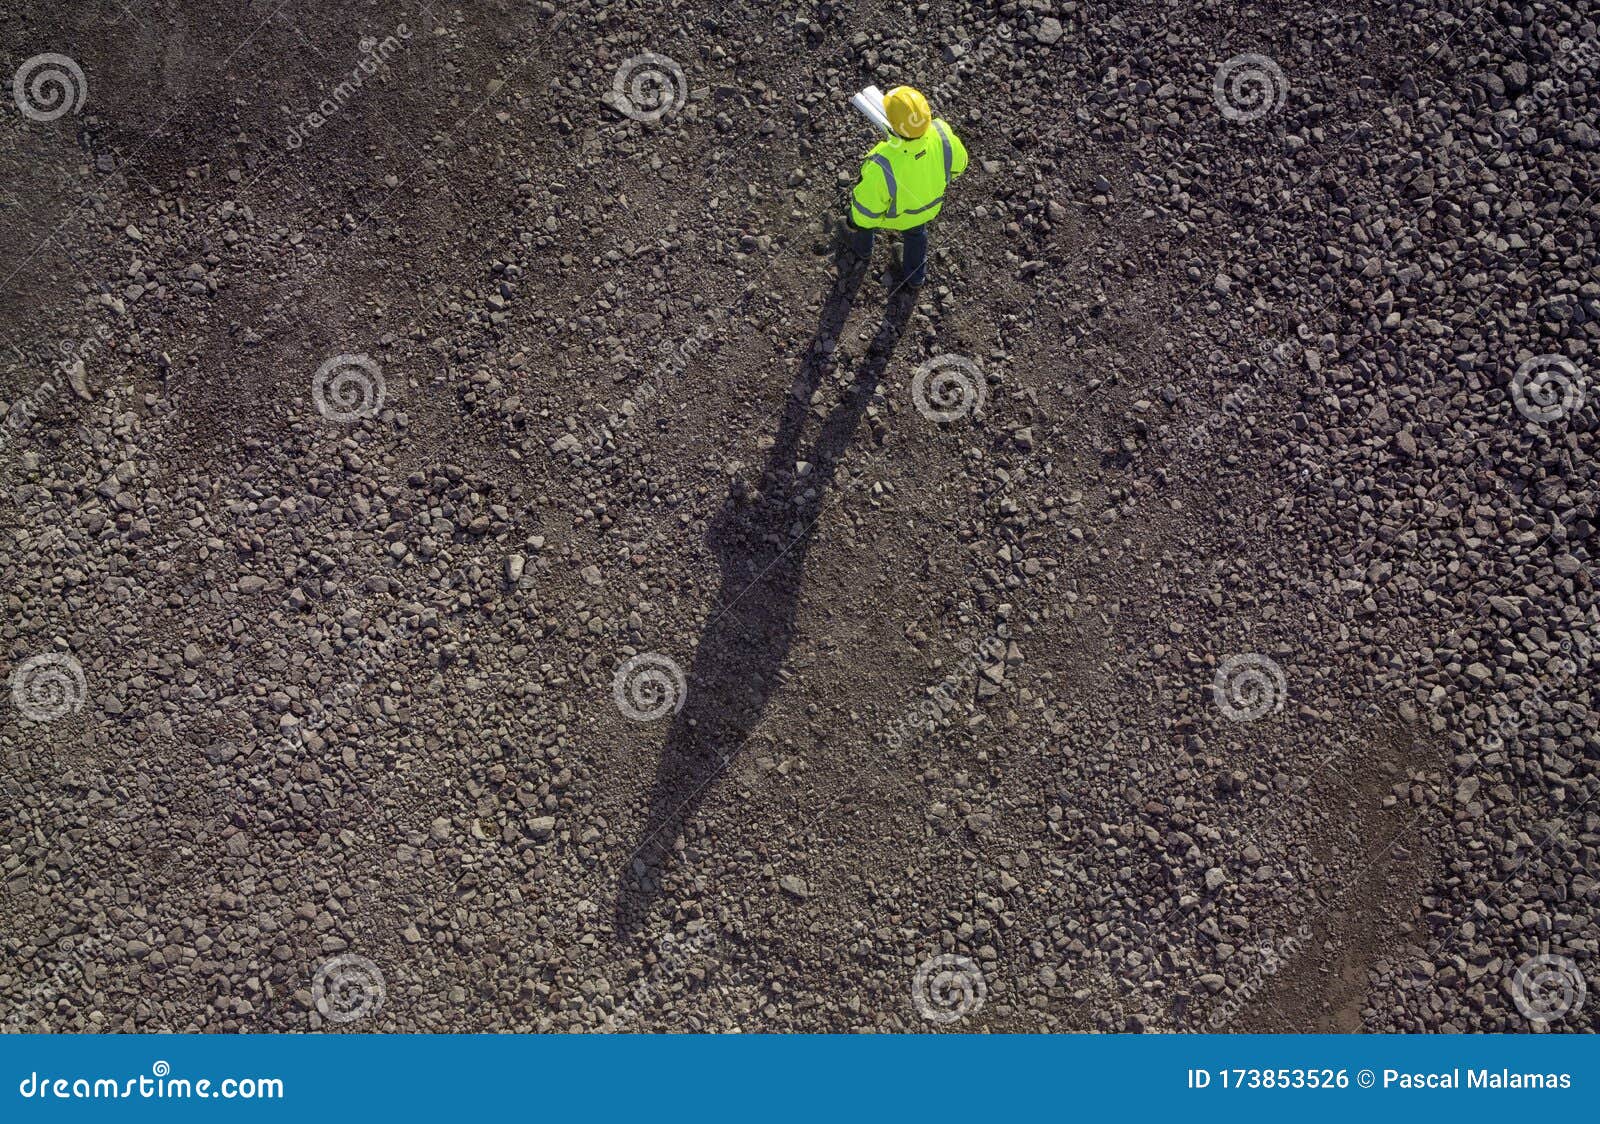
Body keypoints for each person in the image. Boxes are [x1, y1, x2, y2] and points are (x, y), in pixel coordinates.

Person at [843, 86, 969, 288]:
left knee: (864, 225)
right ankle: (915, 278)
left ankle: (863, 251)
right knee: (917, 235)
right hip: (926, 210)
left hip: (893, 217)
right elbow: (959, 166)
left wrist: (854, 221)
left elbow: (867, 210)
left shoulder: (882, 164)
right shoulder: (943, 134)